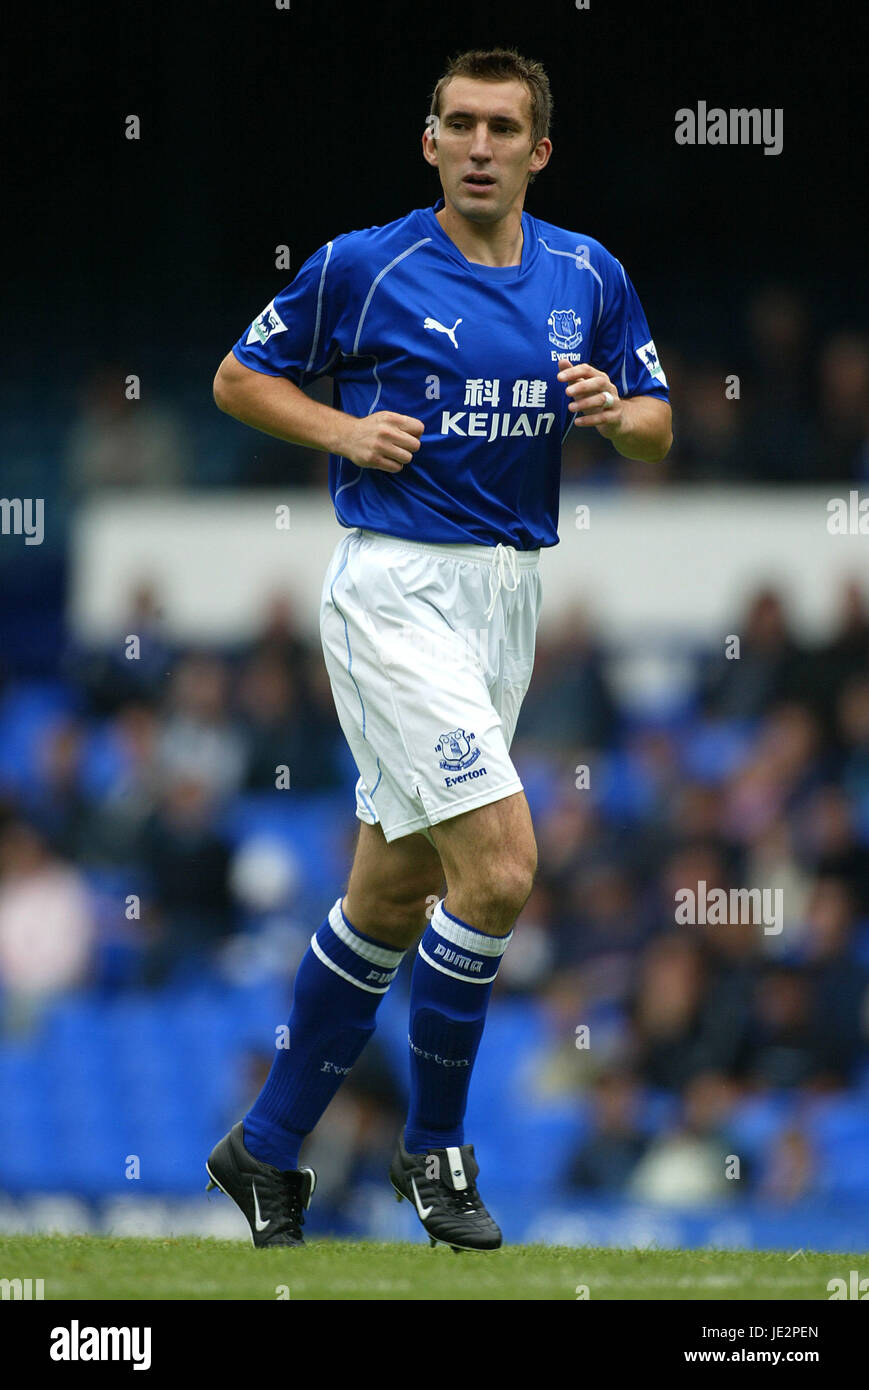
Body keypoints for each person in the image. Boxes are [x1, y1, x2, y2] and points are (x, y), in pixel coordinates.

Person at [206, 47, 671, 1250]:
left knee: (395, 887)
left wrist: (617, 419)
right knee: (504, 864)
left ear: (536, 150)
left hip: (509, 600)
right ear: (429, 143)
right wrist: (344, 430)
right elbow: (237, 377)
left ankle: (261, 1148)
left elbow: (657, 425)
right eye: (457, 124)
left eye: (500, 127)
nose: (477, 145)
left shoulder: (588, 273)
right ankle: (433, 1151)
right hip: (394, 592)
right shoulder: (365, 265)